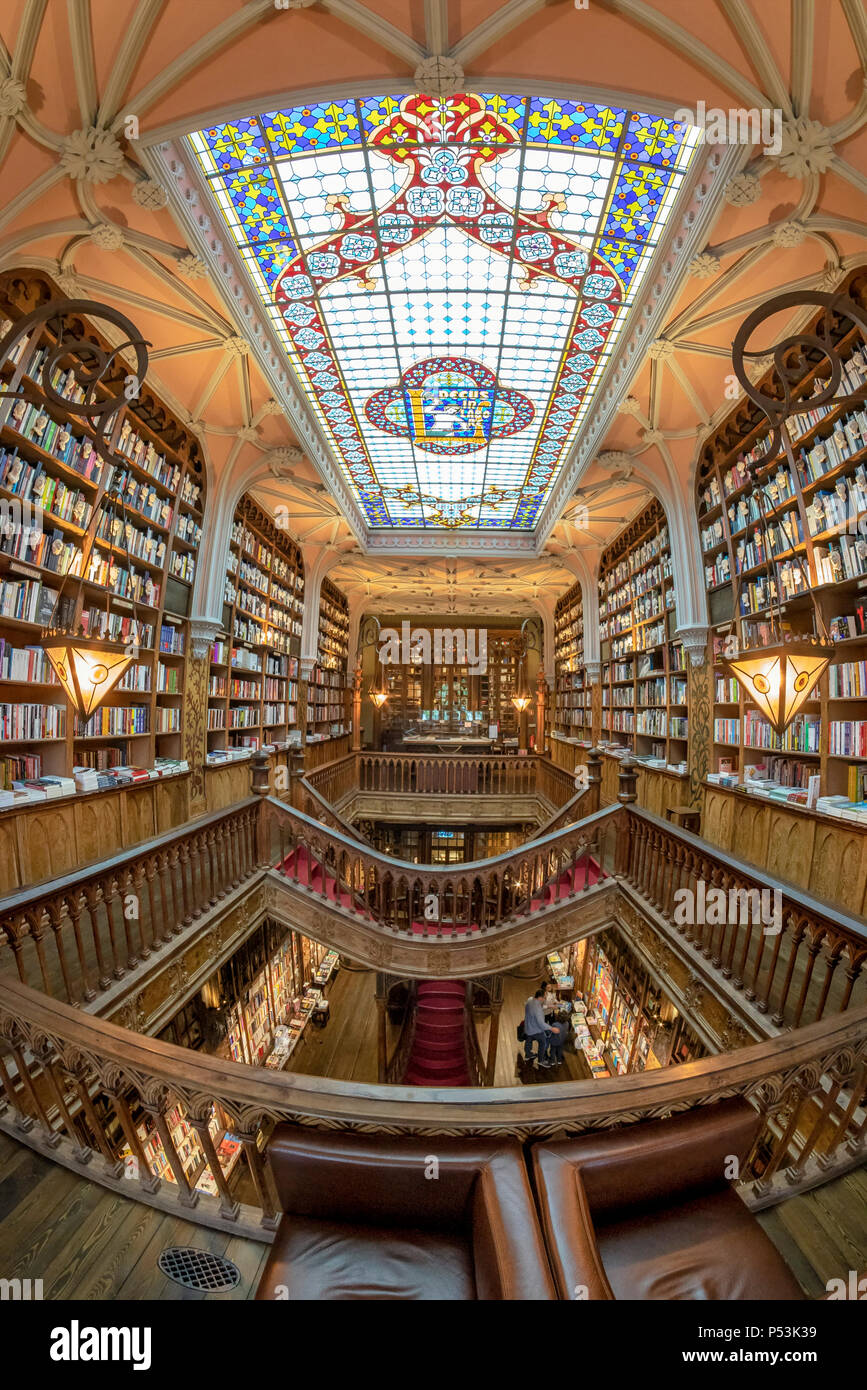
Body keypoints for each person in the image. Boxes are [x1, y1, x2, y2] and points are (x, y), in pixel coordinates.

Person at [523, 988, 555, 1068]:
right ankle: (541, 1060)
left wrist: (548, 1006)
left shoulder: (530, 999)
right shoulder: (538, 1010)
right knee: (543, 1043)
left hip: (528, 1027)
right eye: (545, 997)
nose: (545, 999)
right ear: (540, 998)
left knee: (528, 1041)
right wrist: (551, 1028)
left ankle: (528, 1055)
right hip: (536, 1030)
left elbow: (538, 1006)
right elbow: (541, 1024)